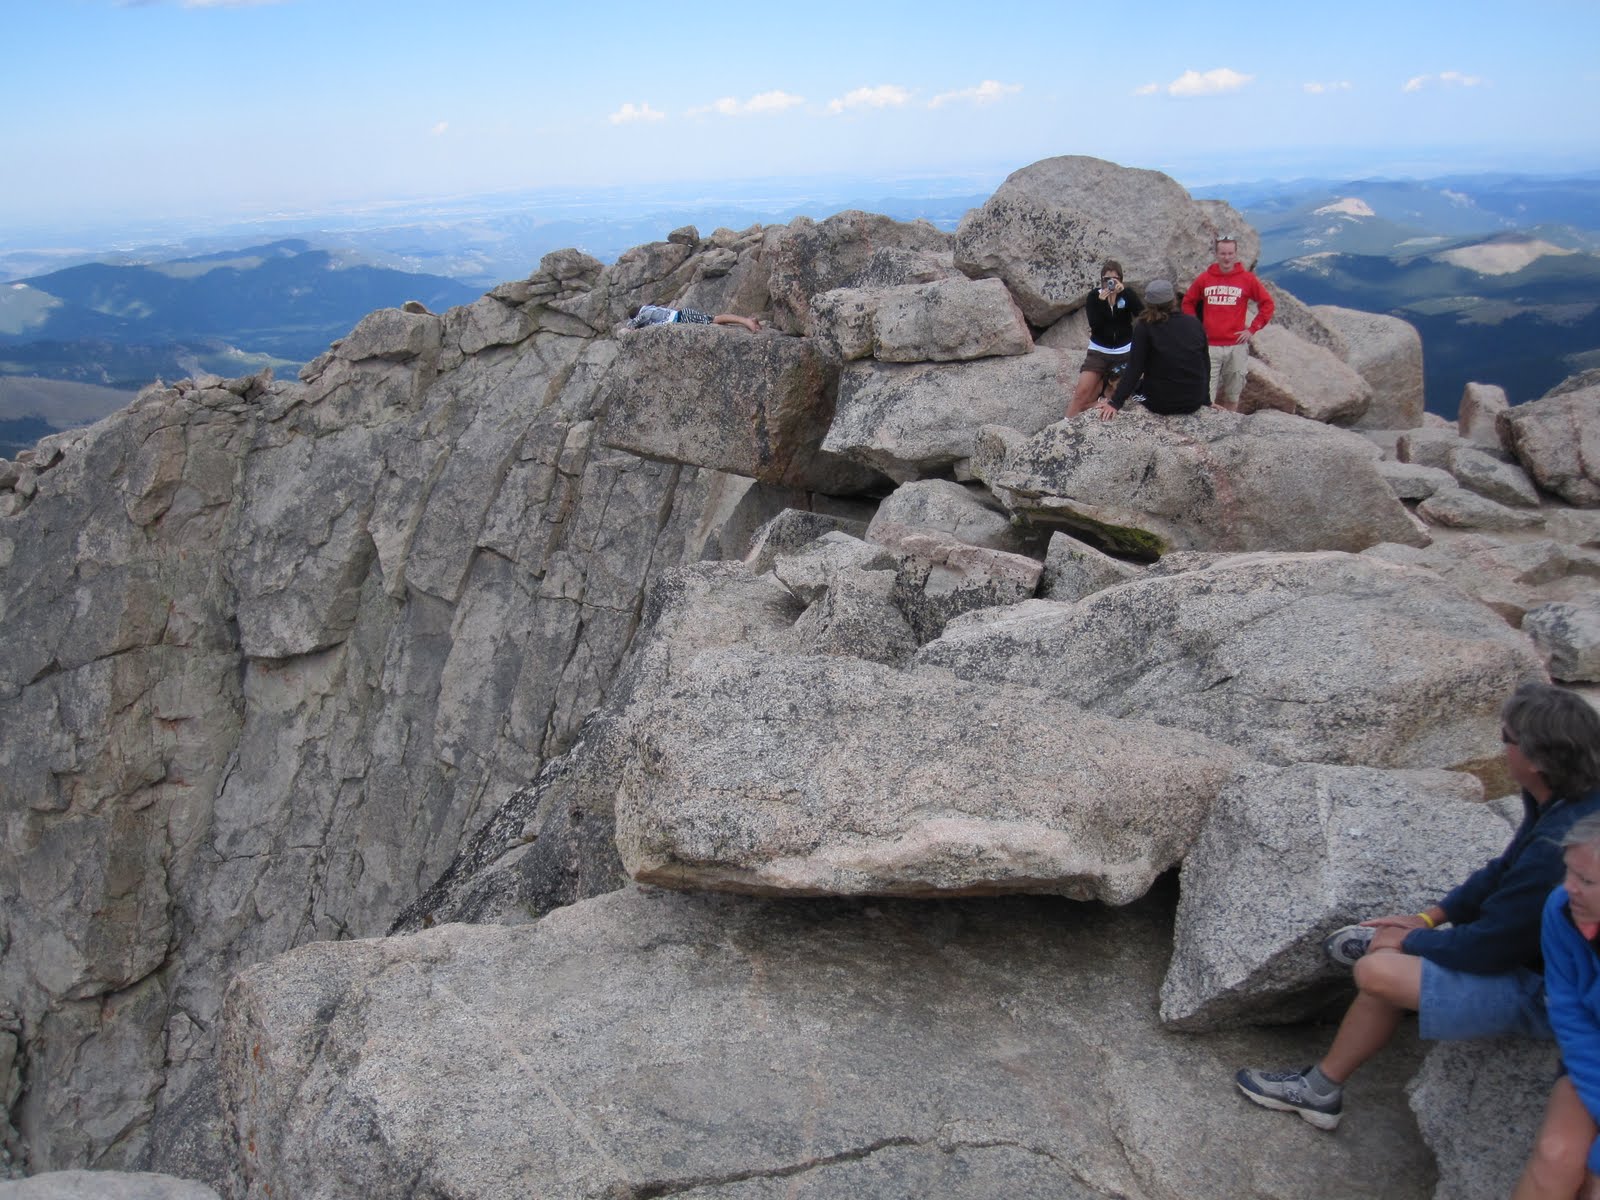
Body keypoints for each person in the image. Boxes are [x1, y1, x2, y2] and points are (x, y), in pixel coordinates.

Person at [1236, 682, 1600, 1132]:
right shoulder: (1563, 796)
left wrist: (1412, 942)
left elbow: (1490, 949)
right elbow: (1502, 870)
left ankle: (1323, 1085)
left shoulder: (1558, 849)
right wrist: (1429, 918)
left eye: (1505, 739)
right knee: (1391, 957)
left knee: (1377, 973)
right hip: (1529, 953)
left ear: (1536, 759)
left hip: (1550, 991)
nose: (1500, 747)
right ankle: (1324, 1082)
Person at [1514, 812, 1600, 1199]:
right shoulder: (1562, 910)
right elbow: (1569, 1011)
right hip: (1593, 1061)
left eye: (1586, 880)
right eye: (1569, 872)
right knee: (1555, 1156)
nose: (1569, 889)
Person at [1181, 234, 1275, 412]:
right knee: (1205, 396)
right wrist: (1195, 327)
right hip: (1210, 345)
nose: (1227, 257)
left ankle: (1230, 430)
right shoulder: (1205, 278)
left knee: (1233, 394)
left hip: (1236, 345)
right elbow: (1188, 302)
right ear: (1216, 254)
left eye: (1230, 253)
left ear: (1236, 254)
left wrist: (1253, 329)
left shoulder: (1247, 279)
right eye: (1223, 253)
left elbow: (1267, 304)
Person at [1094, 278, 1209, 420]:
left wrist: (1115, 403)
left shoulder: (1144, 327)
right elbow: (1205, 364)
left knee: (1136, 387)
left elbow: (1135, 369)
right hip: (1194, 401)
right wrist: (1206, 400)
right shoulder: (1194, 323)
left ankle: (1103, 400)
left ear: (1148, 303)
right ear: (1174, 300)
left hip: (1161, 404)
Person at [1066, 260, 1143, 417]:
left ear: (1121, 279)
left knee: (1128, 392)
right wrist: (1102, 303)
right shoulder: (1094, 297)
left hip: (1124, 351)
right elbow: (1095, 325)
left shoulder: (1127, 295)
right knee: (1081, 393)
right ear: (1101, 280)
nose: (1110, 283)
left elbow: (1142, 316)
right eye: (1106, 279)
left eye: (1115, 279)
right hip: (1099, 351)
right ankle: (1065, 425)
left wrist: (1125, 294)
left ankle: (1103, 402)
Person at [626, 304, 761, 333]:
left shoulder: (645, 313)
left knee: (715, 319)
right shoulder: (652, 308)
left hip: (682, 318)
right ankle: (745, 320)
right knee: (714, 320)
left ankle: (746, 321)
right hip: (681, 315)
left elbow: (632, 325)